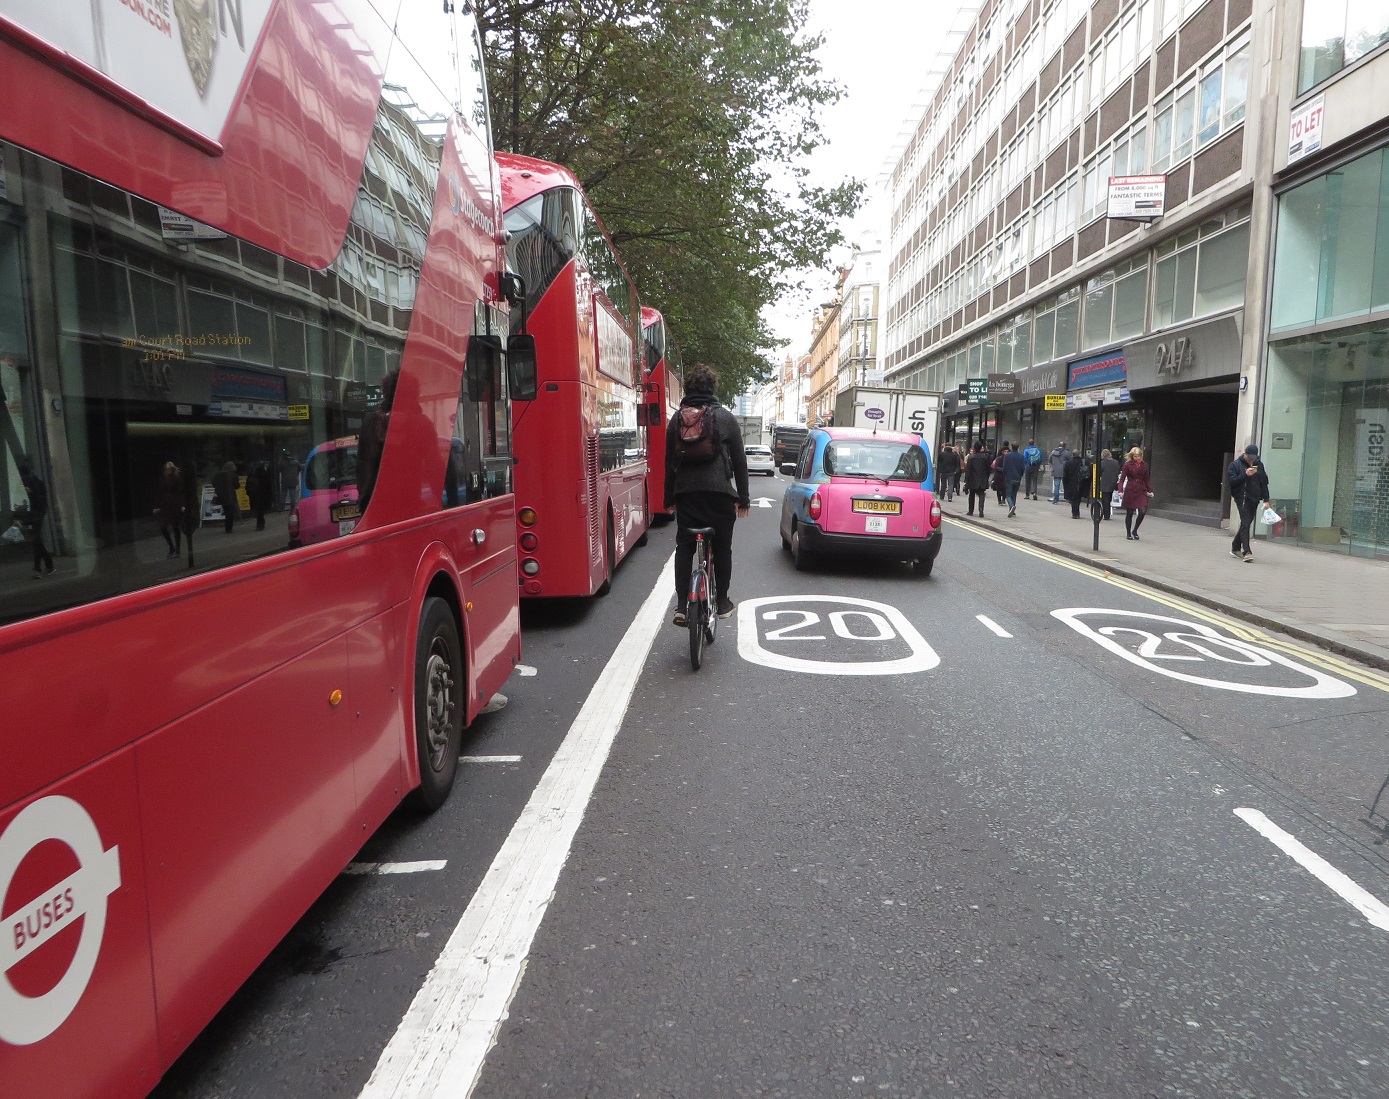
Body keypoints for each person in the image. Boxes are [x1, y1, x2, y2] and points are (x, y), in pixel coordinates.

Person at [665, 364, 750, 625]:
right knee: (723, 548)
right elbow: (739, 461)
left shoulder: (677, 419)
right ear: (712, 388)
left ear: (688, 388)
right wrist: (743, 498)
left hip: (687, 496)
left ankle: (681, 606)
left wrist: (669, 499)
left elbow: (669, 463)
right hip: (719, 496)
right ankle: (722, 601)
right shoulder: (724, 417)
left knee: (684, 547)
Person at [1227, 443, 1270, 562]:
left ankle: (1235, 547)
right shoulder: (1235, 465)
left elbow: (1264, 483)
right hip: (1242, 498)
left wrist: (1266, 500)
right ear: (1245, 454)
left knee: (1246, 524)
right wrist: (1245, 475)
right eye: (1249, 457)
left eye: (1254, 457)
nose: (1251, 459)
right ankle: (1246, 552)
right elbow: (1232, 482)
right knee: (1245, 523)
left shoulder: (1259, 465)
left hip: (1254, 498)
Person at [17, 460, 54, 578]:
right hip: (38, 514)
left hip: (36, 515)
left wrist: (24, 520)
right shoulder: (35, 481)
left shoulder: (32, 483)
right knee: (37, 541)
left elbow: (36, 501)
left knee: (36, 540)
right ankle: (48, 565)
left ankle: (38, 568)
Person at [1118, 446, 1153, 540]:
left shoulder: (1144, 465)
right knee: (1130, 512)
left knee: (1143, 511)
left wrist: (1150, 490)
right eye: (1134, 456)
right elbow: (1122, 479)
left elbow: (1146, 479)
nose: (1137, 458)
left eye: (1138, 456)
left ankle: (1135, 530)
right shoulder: (1128, 465)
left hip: (1141, 489)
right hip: (1131, 489)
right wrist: (1120, 490)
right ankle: (1128, 532)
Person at [156, 460, 185, 557]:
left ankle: (177, 549)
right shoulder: (162, 479)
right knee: (163, 526)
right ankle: (171, 547)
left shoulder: (176, 479)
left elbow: (180, 492)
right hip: (165, 504)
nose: (167, 471)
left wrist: (182, 505)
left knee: (175, 527)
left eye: (169, 469)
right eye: (166, 469)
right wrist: (158, 506)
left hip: (174, 504)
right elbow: (160, 492)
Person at [964, 441, 992, 517]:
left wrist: (966, 481)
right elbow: (988, 469)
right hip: (982, 478)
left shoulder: (971, 457)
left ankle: (970, 511)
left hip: (972, 479)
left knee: (971, 495)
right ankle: (981, 510)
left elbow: (968, 470)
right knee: (981, 494)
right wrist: (986, 476)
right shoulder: (985, 457)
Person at [212, 461, 242, 534]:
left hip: (221, 496)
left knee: (226, 511)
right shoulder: (233, 475)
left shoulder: (218, 475)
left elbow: (213, 484)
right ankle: (229, 528)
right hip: (230, 496)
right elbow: (237, 486)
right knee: (230, 512)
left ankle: (228, 527)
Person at [246, 461, 273, 531]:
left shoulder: (251, 476)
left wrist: (249, 493)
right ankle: (261, 524)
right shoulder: (265, 474)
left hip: (254, 495)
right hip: (263, 495)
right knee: (261, 510)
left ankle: (259, 523)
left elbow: (247, 487)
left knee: (258, 510)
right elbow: (268, 485)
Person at [1002, 441, 1027, 517]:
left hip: (1009, 477)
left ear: (1011, 447)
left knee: (1008, 495)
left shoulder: (1007, 456)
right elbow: (1023, 468)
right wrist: (1020, 475)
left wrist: (1004, 475)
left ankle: (1012, 506)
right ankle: (1012, 510)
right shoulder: (1021, 456)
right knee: (1014, 495)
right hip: (1017, 478)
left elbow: (1004, 467)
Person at [1098, 448, 1121, 521]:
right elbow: (1118, 471)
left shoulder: (1102, 463)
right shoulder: (1115, 462)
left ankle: (1106, 514)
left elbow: (1099, 473)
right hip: (1113, 482)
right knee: (1109, 498)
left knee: (1105, 499)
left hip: (1105, 482)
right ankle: (1107, 514)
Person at [1062, 449, 1086, 518]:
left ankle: (1075, 513)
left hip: (1071, 484)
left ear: (1072, 455)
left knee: (1073, 499)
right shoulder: (1083, 462)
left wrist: (1065, 484)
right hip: (1081, 483)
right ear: (1079, 454)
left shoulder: (1068, 463)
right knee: (1078, 498)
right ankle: (1076, 512)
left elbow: (1065, 475)